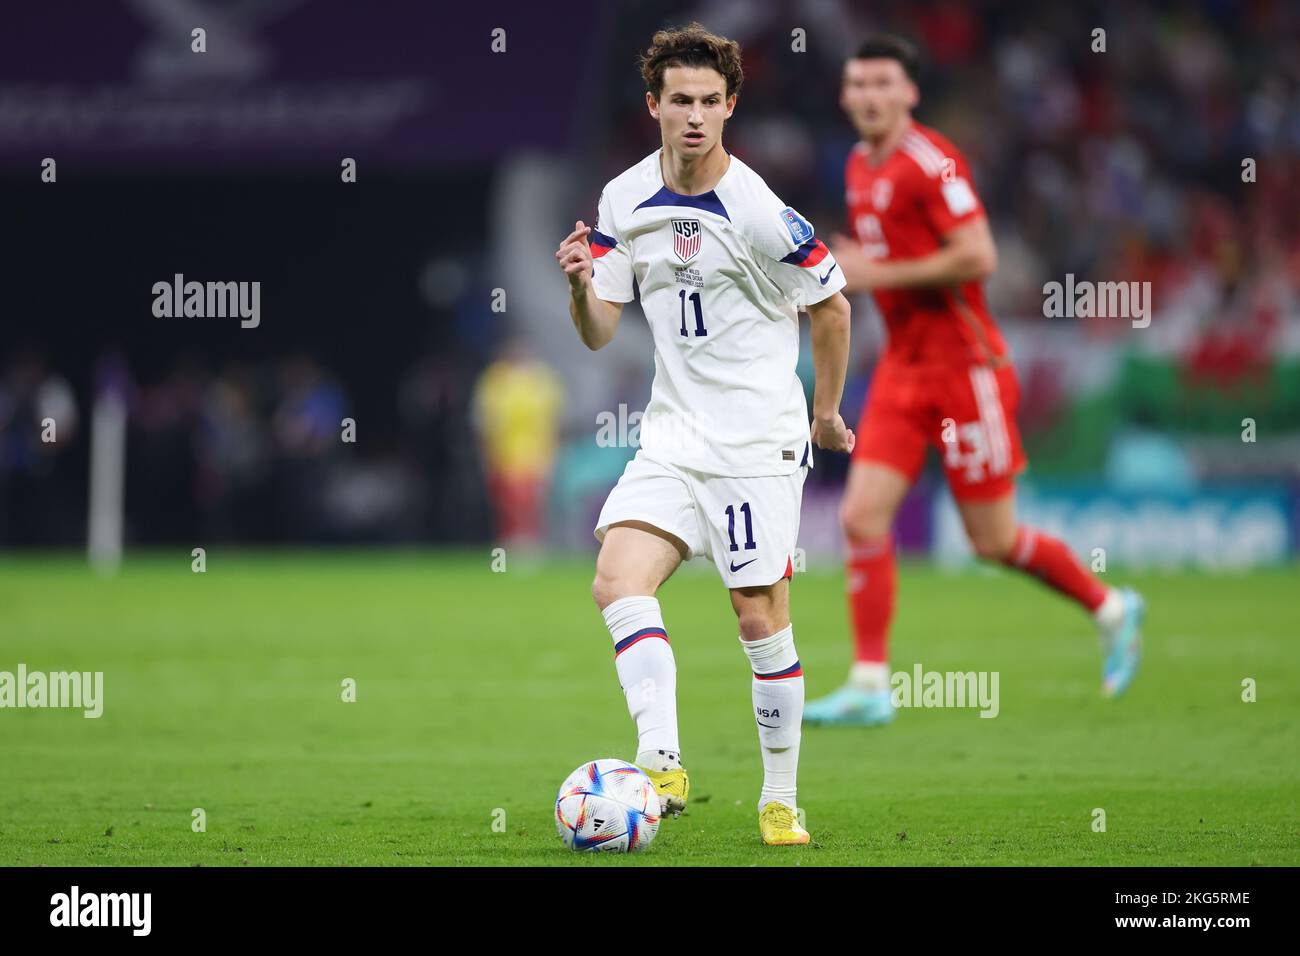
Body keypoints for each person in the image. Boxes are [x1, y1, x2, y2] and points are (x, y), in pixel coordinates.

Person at [554, 23, 854, 845]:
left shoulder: (758, 211)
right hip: (672, 437)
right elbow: (599, 331)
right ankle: (660, 761)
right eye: (679, 101)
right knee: (618, 581)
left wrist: (824, 413)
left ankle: (781, 797)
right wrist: (582, 287)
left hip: (757, 442)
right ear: (653, 105)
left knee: (758, 617)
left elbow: (833, 303)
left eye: (710, 102)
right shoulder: (623, 199)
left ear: (730, 107)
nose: (694, 117)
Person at [804, 35, 1144, 728]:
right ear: (845, 96)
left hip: (966, 372)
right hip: (903, 369)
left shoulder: (933, 162)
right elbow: (890, 254)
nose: (868, 96)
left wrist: (872, 273)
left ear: (910, 93)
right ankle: (871, 682)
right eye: (857, 84)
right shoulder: (857, 167)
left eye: (882, 84)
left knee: (993, 541)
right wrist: (846, 265)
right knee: (861, 517)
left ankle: (1111, 605)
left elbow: (978, 255)